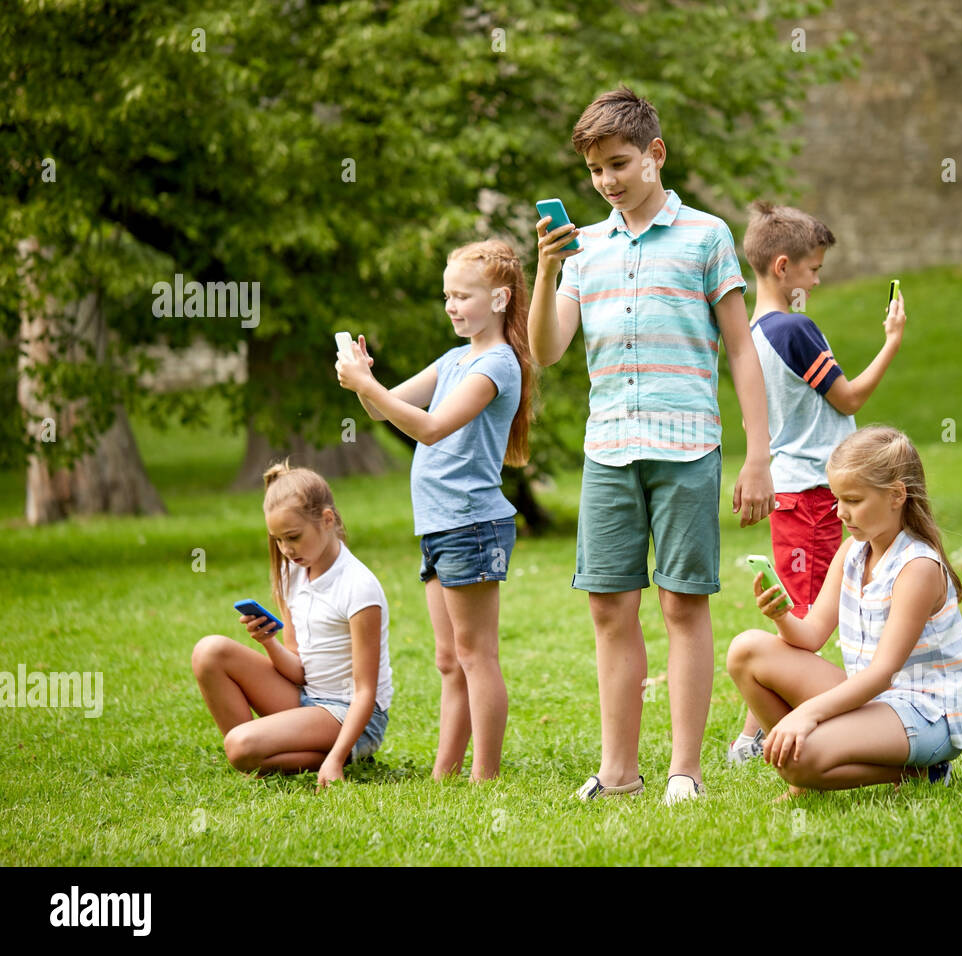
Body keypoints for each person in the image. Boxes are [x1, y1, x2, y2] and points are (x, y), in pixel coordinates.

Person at [528, 85, 775, 805]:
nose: (606, 180)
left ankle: (685, 771)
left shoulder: (706, 236)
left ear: (655, 155)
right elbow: (546, 350)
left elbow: (741, 350)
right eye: (595, 170)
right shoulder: (583, 249)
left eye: (619, 163)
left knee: (681, 605)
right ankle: (619, 773)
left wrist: (757, 454)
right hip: (608, 450)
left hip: (687, 446)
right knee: (609, 607)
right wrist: (546, 270)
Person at [336, 238, 533, 782]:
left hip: (471, 523)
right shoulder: (454, 359)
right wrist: (362, 381)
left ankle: (484, 775)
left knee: (476, 657)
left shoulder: (497, 365)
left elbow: (429, 425)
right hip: (440, 526)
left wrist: (367, 385)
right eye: (446, 295)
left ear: (498, 299)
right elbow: (382, 412)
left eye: (462, 295)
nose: (450, 305)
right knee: (450, 660)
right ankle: (444, 774)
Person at [727, 201, 906, 764]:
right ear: (782, 266)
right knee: (805, 623)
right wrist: (893, 339)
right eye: (813, 268)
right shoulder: (794, 328)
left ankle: (760, 730)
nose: (817, 278)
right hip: (814, 496)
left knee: (800, 616)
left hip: (792, 491)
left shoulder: (751, 331)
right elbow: (848, 397)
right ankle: (756, 736)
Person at [726, 426, 962, 798]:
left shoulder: (917, 568)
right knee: (746, 651)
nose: (841, 513)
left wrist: (806, 715)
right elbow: (811, 637)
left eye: (853, 500)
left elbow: (881, 673)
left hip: (926, 714)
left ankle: (924, 770)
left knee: (797, 756)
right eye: (837, 499)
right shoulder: (852, 552)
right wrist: (781, 616)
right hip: (876, 700)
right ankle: (809, 773)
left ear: (896, 495)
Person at [192, 462, 393, 791]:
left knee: (240, 745)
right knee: (209, 651)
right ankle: (258, 756)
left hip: (353, 714)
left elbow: (365, 693)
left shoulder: (359, 588)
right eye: (279, 540)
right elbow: (299, 671)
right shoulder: (292, 573)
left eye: (294, 537)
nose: (286, 549)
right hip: (306, 697)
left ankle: (322, 755)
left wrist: (333, 758)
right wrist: (269, 642)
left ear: (327, 520)